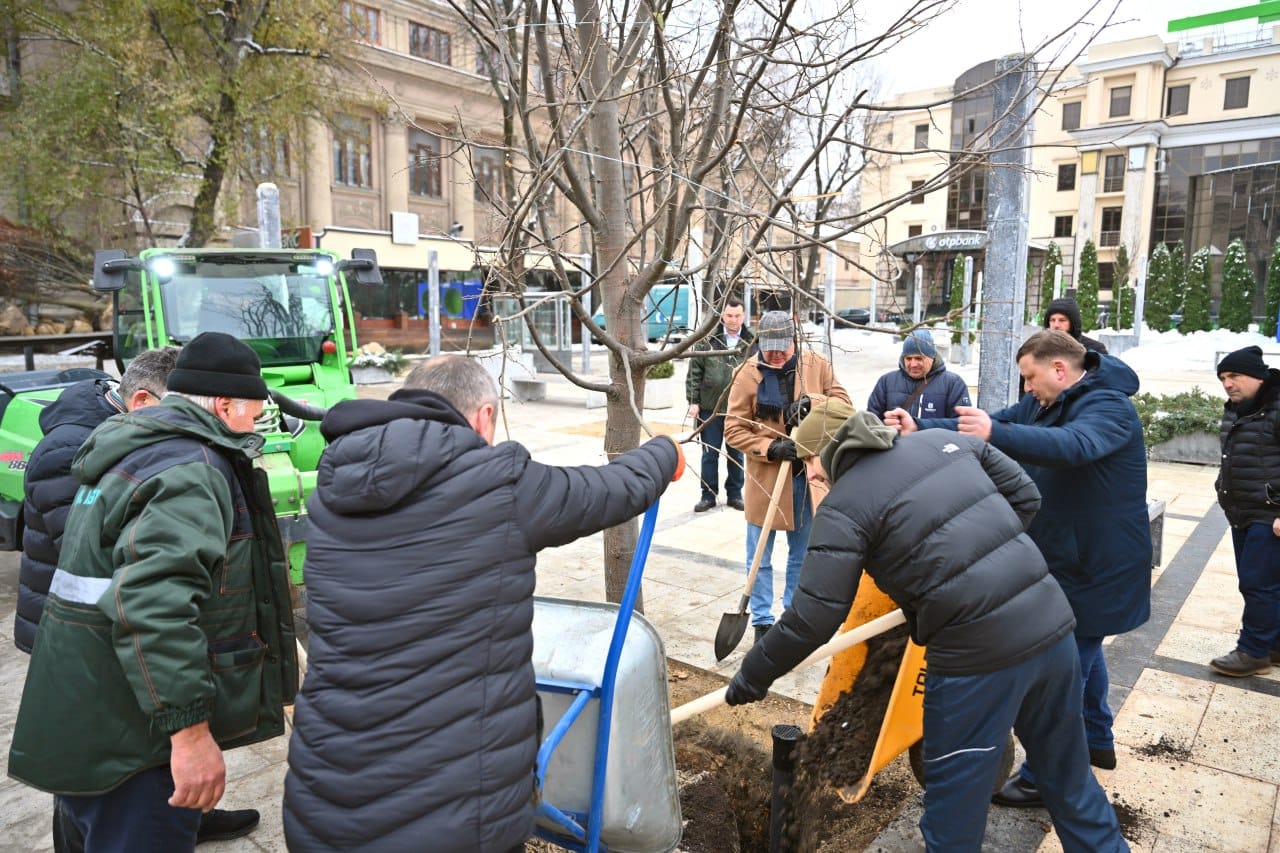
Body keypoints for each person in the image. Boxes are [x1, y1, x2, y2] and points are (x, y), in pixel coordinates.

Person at [282, 354, 683, 852]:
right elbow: (610, 490)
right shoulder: (499, 484)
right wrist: (663, 453)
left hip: (324, 797)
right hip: (452, 815)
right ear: (484, 416)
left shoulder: (333, 486)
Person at [726, 404, 1129, 852]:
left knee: (952, 817)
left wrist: (753, 674)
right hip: (1052, 629)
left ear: (825, 452)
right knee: (1069, 781)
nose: (811, 475)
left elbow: (811, 618)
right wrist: (983, 560)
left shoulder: (844, 507)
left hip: (975, 663)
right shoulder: (941, 443)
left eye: (808, 463)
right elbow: (1026, 496)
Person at [8, 332, 298, 853]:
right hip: (133, 742)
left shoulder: (139, 450)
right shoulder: (190, 470)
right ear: (225, 404)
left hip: (92, 712)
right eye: (252, 414)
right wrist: (189, 736)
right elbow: (153, 604)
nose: (253, 427)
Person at [886, 329, 1151, 808]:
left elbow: (1074, 446)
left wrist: (997, 434)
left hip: (1098, 564)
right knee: (1083, 657)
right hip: (1069, 556)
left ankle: (1042, 776)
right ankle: (1097, 741)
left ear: (1059, 369)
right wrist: (922, 429)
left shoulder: (1109, 406)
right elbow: (990, 422)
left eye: (1030, 378)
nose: (1026, 389)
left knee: (1065, 670)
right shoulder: (1046, 401)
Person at [725, 310, 849, 642]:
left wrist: (813, 401)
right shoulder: (747, 374)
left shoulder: (815, 365)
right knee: (759, 555)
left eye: (782, 346)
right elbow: (733, 430)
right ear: (760, 342)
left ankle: (792, 614)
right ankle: (763, 621)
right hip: (766, 480)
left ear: (793, 340)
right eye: (770, 347)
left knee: (803, 552)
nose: (776, 354)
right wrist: (769, 447)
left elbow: (844, 406)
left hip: (807, 478)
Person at [1211, 345, 1280, 676]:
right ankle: (1274, 645)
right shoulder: (1237, 408)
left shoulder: (1276, 407)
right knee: (1267, 581)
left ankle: (1253, 651)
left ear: (1256, 376)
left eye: (1234, 376)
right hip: (1242, 509)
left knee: (1258, 582)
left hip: (1268, 511)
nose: (1228, 383)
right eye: (1223, 377)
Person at [686, 297, 754, 512]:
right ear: (722, 316)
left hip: (739, 410)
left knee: (736, 455)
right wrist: (693, 402)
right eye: (729, 315)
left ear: (743, 316)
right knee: (710, 454)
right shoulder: (707, 341)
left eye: (737, 316)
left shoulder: (752, 342)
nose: (733, 320)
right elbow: (694, 374)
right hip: (709, 409)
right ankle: (708, 495)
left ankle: (735, 494)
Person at [865, 328, 970, 420]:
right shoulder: (886, 382)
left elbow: (962, 424)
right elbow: (871, 421)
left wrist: (920, 426)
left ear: (932, 357)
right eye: (908, 358)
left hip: (934, 443)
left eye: (919, 358)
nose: (913, 364)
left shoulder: (953, 384)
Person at [1044, 296, 1109, 354]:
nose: (1056, 325)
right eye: (1052, 320)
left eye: (1062, 320)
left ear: (1073, 322)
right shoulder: (1039, 347)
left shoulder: (1093, 350)